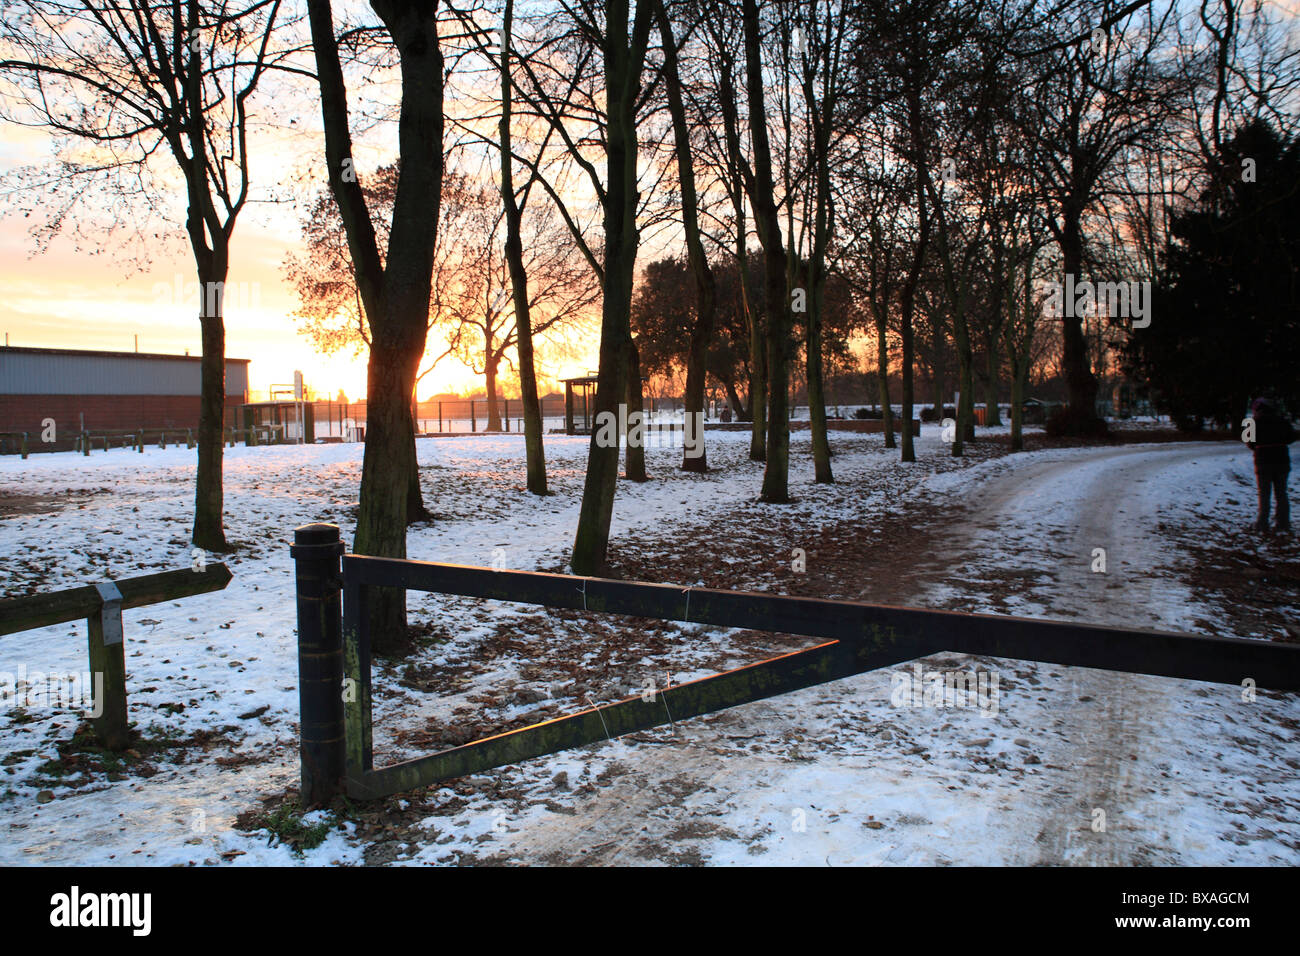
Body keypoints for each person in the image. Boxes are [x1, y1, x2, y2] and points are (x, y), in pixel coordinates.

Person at [1243, 397, 1295, 534]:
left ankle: (1262, 523)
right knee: (1281, 493)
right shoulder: (1282, 421)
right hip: (1282, 461)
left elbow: (1248, 443)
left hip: (1263, 462)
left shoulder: (1252, 423)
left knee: (1264, 494)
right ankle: (1283, 523)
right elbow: (1291, 438)